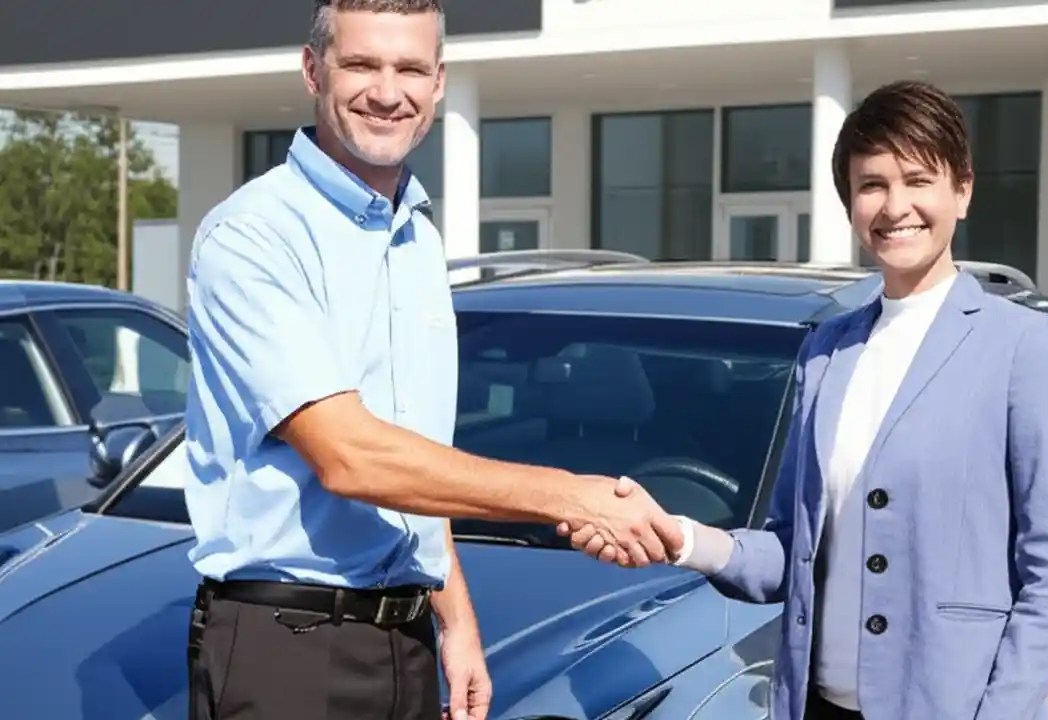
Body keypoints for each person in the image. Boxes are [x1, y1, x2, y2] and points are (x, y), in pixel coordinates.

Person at [182, 2, 678, 719]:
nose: (389, 92)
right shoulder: (253, 237)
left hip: (404, 642)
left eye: (410, 68)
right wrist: (571, 494)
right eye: (362, 64)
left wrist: (457, 623)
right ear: (312, 69)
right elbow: (354, 458)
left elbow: (413, 456)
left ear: (439, 83)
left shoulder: (415, 238)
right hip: (288, 647)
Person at [561, 80, 1048, 720]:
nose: (896, 206)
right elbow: (791, 551)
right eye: (872, 185)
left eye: (919, 180)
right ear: (850, 204)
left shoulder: (1023, 345)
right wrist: (680, 537)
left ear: (963, 191)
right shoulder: (826, 350)